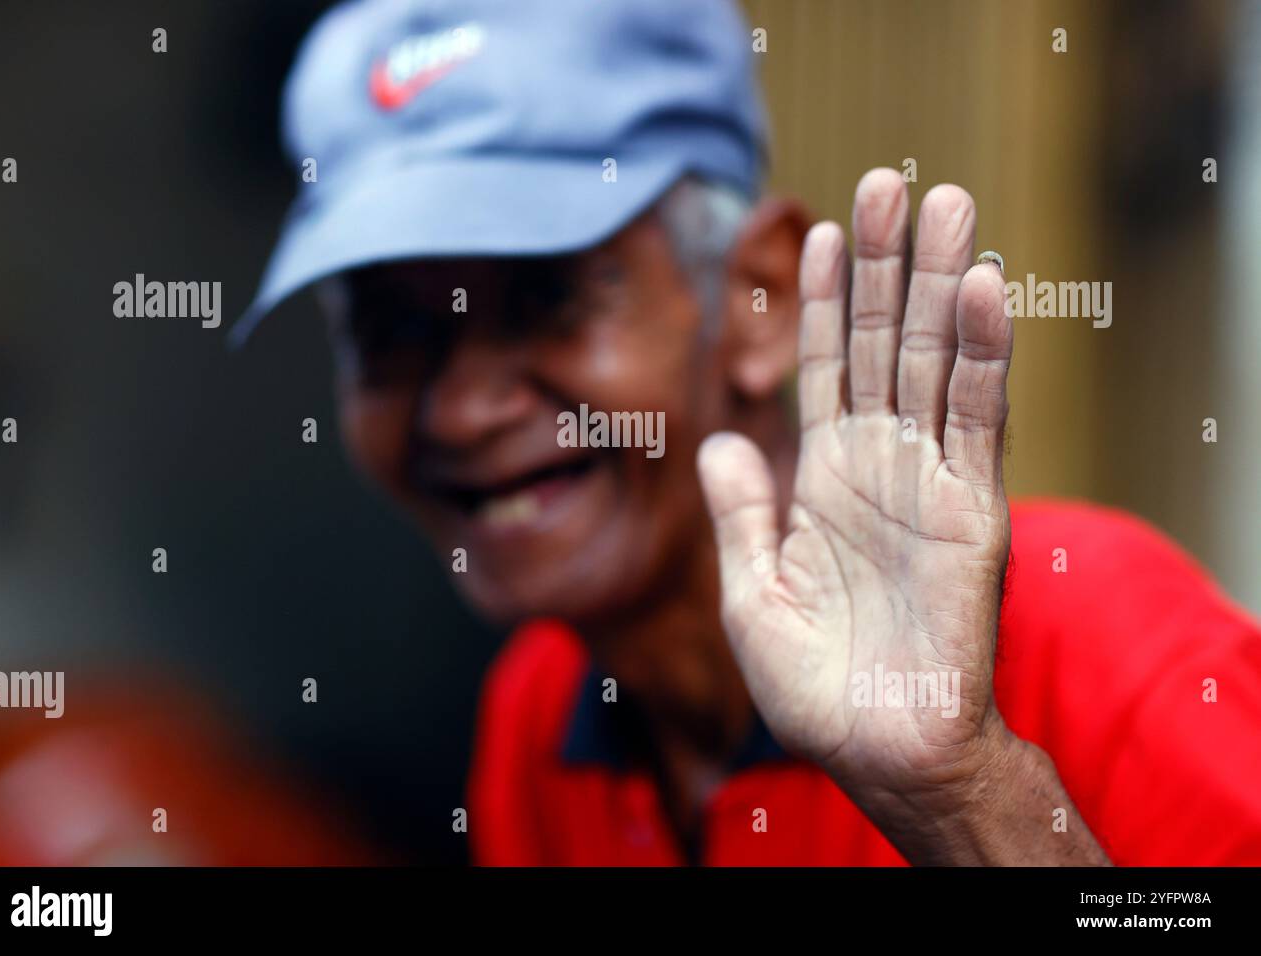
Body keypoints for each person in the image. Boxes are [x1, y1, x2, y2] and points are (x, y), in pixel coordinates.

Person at [236, 0, 1261, 865]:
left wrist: (963, 792)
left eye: (546, 299)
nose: (461, 409)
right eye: (390, 330)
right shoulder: (540, 711)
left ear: (759, 293)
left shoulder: (1098, 643)